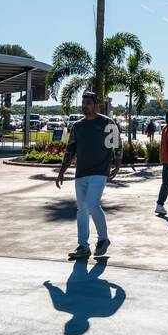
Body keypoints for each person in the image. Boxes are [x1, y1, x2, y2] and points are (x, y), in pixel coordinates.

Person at [55, 92, 120, 261]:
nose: (85, 106)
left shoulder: (107, 123)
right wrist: (62, 171)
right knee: (82, 209)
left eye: (89, 103)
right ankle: (83, 246)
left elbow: (117, 145)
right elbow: (70, 149)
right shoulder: (77, 126)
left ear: (97, 105)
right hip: (81, 172)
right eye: (83, 103)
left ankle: (103, 239)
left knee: (92, 204)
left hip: (99, 171)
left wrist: (117, 166)